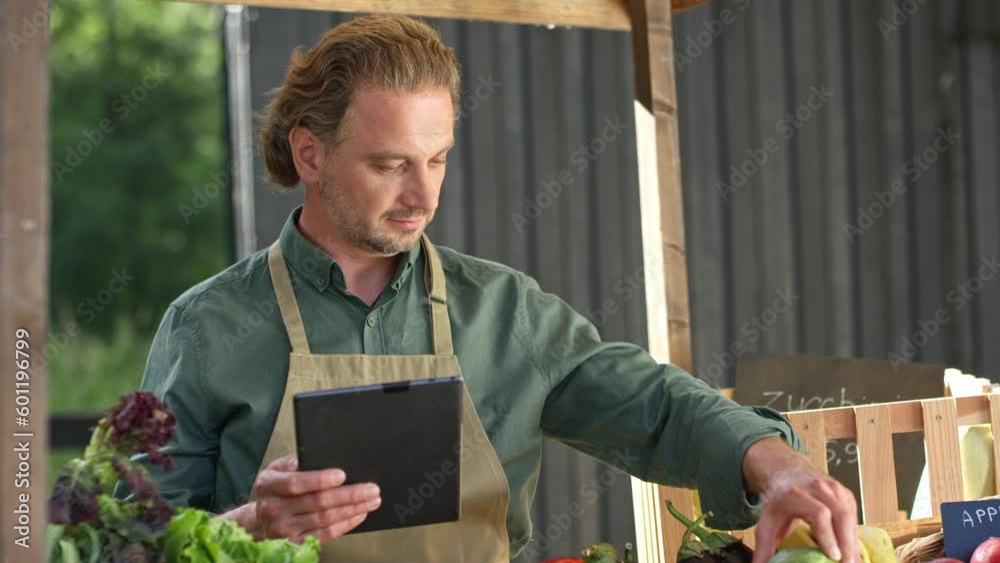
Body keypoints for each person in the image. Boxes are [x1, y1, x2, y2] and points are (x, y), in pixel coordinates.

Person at [133, 14, 858, 563]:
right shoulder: (207, 326)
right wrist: (249, 526)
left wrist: (782, 467)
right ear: (310, 152)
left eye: (438, 159)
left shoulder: (505, 312)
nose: (423, 194)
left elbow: (660, 406)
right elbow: (128, 543)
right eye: (390, 165)